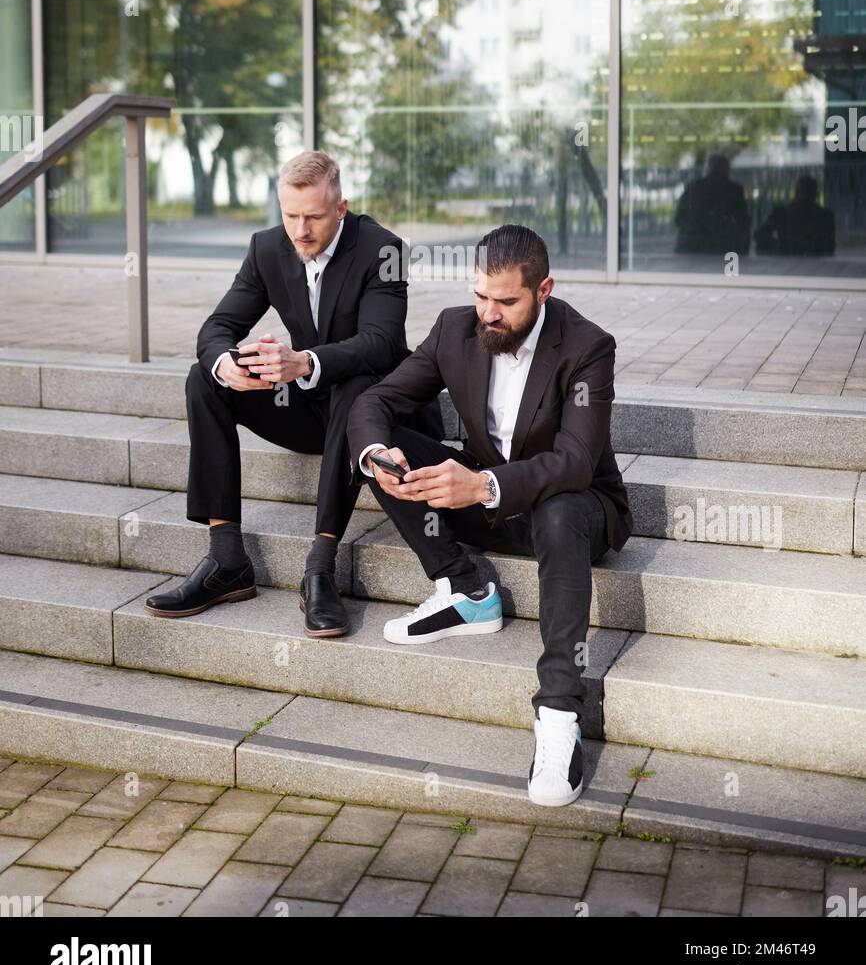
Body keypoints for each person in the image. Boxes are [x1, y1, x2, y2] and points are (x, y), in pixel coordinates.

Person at [347, 224, 632, 808]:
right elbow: (376, 401)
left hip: (579, 512)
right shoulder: (456, 328)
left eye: (506, 301)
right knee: (387, 452)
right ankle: (468, 590)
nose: (489, 313)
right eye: (481, 295)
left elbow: (576, 461)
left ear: (543, 289)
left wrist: (482, 484)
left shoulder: (587, 347)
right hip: (490, 503)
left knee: (557, 513)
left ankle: (558, 714)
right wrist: (378, 455)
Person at [146, 150, 440, 637]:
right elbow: (218, 327)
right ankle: (226, 561)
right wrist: (228, 366)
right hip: (311, 411)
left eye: (314, 218)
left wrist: (303, 362)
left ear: (341, 208)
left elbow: (382, 343)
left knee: (355, 380)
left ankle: (319, 569)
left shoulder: (382, 249)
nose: (300, 231)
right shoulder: (267, 248)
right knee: (206, 378)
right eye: (290, 216)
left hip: (382, 419)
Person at [674, 153, 750, 257]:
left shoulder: (693, 188)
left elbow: (679, 219)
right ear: (726, 170)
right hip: (724, 248)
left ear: (708, 169)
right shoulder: (734, 190)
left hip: (692, 247)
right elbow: (743, 221)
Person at [755, 175, 835, 257]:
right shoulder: (826, 216)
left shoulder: (781, 213)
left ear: (796, 193)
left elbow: (759, 236)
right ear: (816, 195)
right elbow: (829, 247)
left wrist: (782, 246)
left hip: (786, 257)